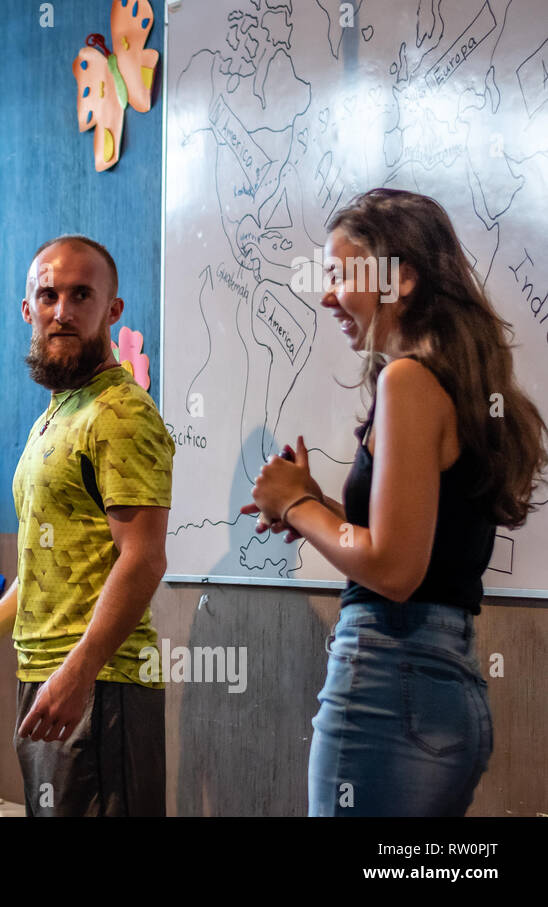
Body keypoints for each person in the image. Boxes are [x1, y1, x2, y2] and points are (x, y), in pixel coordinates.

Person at [243, 188, 547, 816]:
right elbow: (418, 548)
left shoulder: (407, 381)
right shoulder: (453, 385)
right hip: (441, 686)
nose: (327, 296)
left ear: (400, 279)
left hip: (389, 681)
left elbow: (394, 570)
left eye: (338, 276)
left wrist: (298, 505)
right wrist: (321, 506)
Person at [0, 235, 175, 816]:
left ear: (112, 310)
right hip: (49, 680)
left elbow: (144, 558)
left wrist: (78, 672)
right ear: (28, 310)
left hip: (102, 683)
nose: (61, 310)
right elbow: (45, 565)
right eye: (48, 295)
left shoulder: (121, 413)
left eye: (81, 295)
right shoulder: (60, 413)